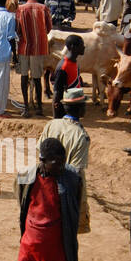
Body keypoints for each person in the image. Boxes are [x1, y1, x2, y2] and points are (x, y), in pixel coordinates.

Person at [40, 86, 91, 233]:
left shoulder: (51, 124)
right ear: (80, 109)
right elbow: (76, 172)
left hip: (46, 187)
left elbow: (40, 155)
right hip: (66, 191)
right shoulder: (81, 135)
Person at [16, 0, 51, 117]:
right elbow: (48, 28)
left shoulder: (20, 9)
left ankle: (26, 106)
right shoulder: (44, 8)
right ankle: (39, 107)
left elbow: (17, 30)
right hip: (38, 48)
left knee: (24, 78)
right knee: (37, 78)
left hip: (24, 48)